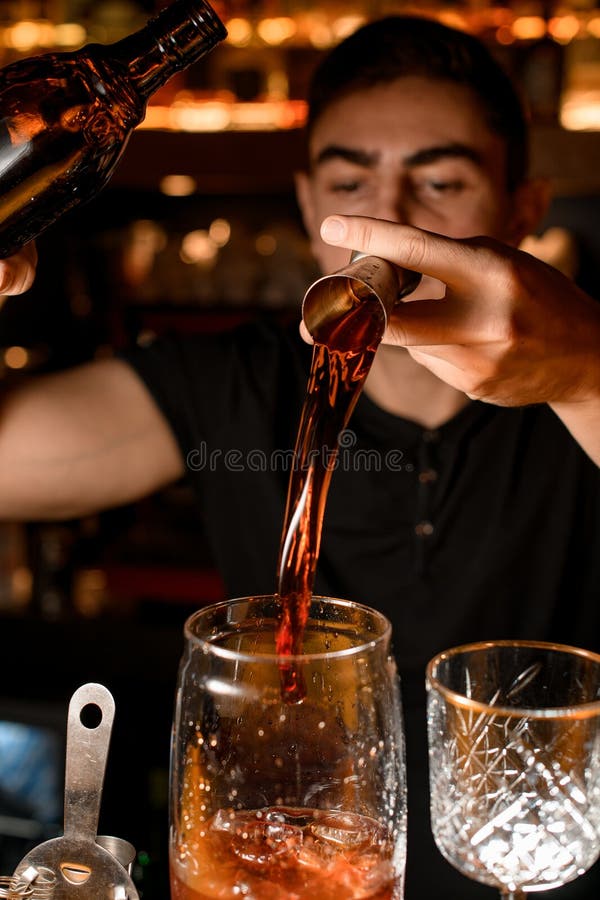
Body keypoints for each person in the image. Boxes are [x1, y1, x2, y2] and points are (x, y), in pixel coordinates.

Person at [1, 15, 600, 897]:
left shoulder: (580, 372)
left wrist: (586, 370)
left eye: (439, 181)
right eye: (350, 181)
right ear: (305, 200)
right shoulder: (230, 383)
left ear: (524, 208)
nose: (387, 221)